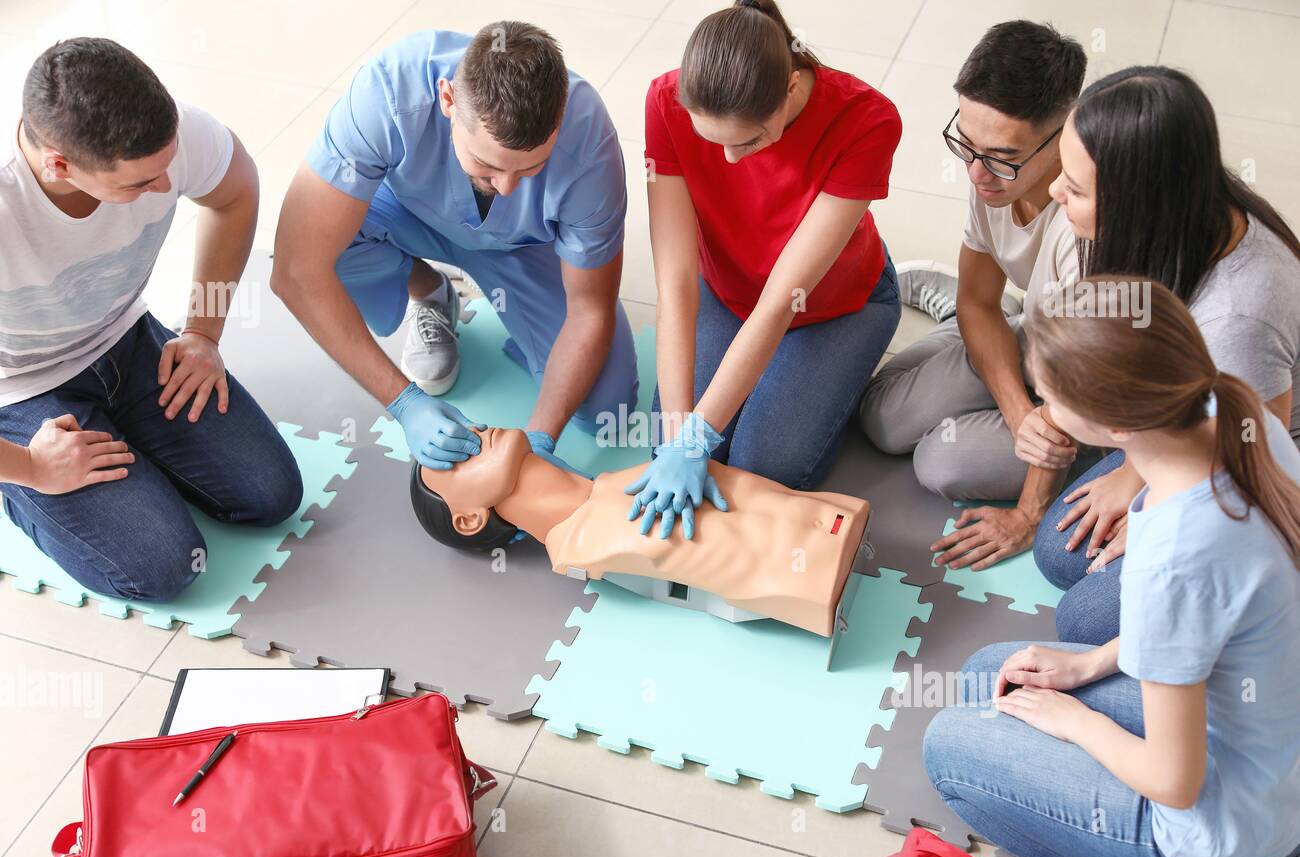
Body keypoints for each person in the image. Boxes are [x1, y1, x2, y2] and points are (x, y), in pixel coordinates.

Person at [924, 277, 1300, 857]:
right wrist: (1089, 663)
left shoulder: (1175, 558)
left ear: (1115, 427)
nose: (1043, 409)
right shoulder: (1239, 414)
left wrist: (1075, 722)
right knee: (986, 676)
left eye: (1050, 396)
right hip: (1266, 748)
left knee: (947, 747)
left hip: (1217, 836)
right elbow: (1210, 627)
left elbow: (1175, 783)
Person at [0, 38, 302, 602]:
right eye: (139, 183)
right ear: (60, 165)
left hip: (126, 341)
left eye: (164, 170)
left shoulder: (175, 134)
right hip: (17, 393)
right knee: (162, 568)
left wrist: (203, 332)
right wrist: (31, 469)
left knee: (270, 495)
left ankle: (119, 433)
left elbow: (234, 195)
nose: (163, 188)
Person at [272, 23, 636, 480]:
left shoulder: (589, 142)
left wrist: (538, 440)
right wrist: (404, 403)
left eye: (531, 168)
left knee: (607, 406)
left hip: (520, 246)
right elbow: (295, 269)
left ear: (559, 121)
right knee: (324, 240)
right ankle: (426, 289)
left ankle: (518, 318)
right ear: (447, 100)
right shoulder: (389, 92)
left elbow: (589, 311)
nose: (506, 187)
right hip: (404, 215)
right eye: (487, 165)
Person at [1031, 66, 1300, 646]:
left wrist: (1161, 508)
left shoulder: (1238, 322)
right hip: (1184, 435)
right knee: (1059, 551)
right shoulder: (1171, 228)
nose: (1054, 192)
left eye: (1075, 189)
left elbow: (1253, 460)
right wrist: (1135, 473)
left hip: (1247, 471)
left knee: (1084, 620)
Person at [627, 0, 902, 539]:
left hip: (833, 304)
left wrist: (698, 439)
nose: (730, 161)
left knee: (761, 467)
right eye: (714, 142)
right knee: (668, 440)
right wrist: (681, 440)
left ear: (793, 87)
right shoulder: (665, 99)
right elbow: (677, 283)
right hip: (727, 288)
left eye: (748, 141)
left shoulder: (867, 118)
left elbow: (781, 301)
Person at [859, 20, 1087, 573]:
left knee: (941, 462)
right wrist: (1017, 416)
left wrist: (1030, 516)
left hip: (1090, 392)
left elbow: (1078, 392)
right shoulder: (993, 167)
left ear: (1064, 134)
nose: (977, 173)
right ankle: (1010, 322)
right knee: (881, 419)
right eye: (966, 143)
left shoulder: (1087, 233)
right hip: (1039, 338)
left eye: (1002, 156)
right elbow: (980, 302)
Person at [410, 425, 870, 637]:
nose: (468, 435)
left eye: (460, 430)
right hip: (818, 578)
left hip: (836, 520)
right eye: (452, 459)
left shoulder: (615, 485)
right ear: (469, 518)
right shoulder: (588, 546)